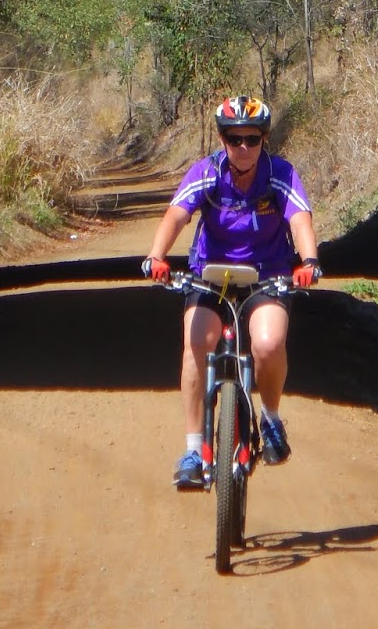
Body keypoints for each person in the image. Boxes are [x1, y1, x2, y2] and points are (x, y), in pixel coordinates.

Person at [143, 94, 321, 490]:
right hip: (211, 274)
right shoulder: (206, 172)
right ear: (222, 139)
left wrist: (308, 262)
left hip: (267, 274)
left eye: (252, 139)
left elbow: (300, 220)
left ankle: (271, 420)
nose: (243, 148)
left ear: (264, 140)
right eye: (234, 138)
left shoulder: (281, 174)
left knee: (269, 343)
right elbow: (177, 213)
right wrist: (156, 256)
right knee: (197, 344)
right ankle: (194, 449)